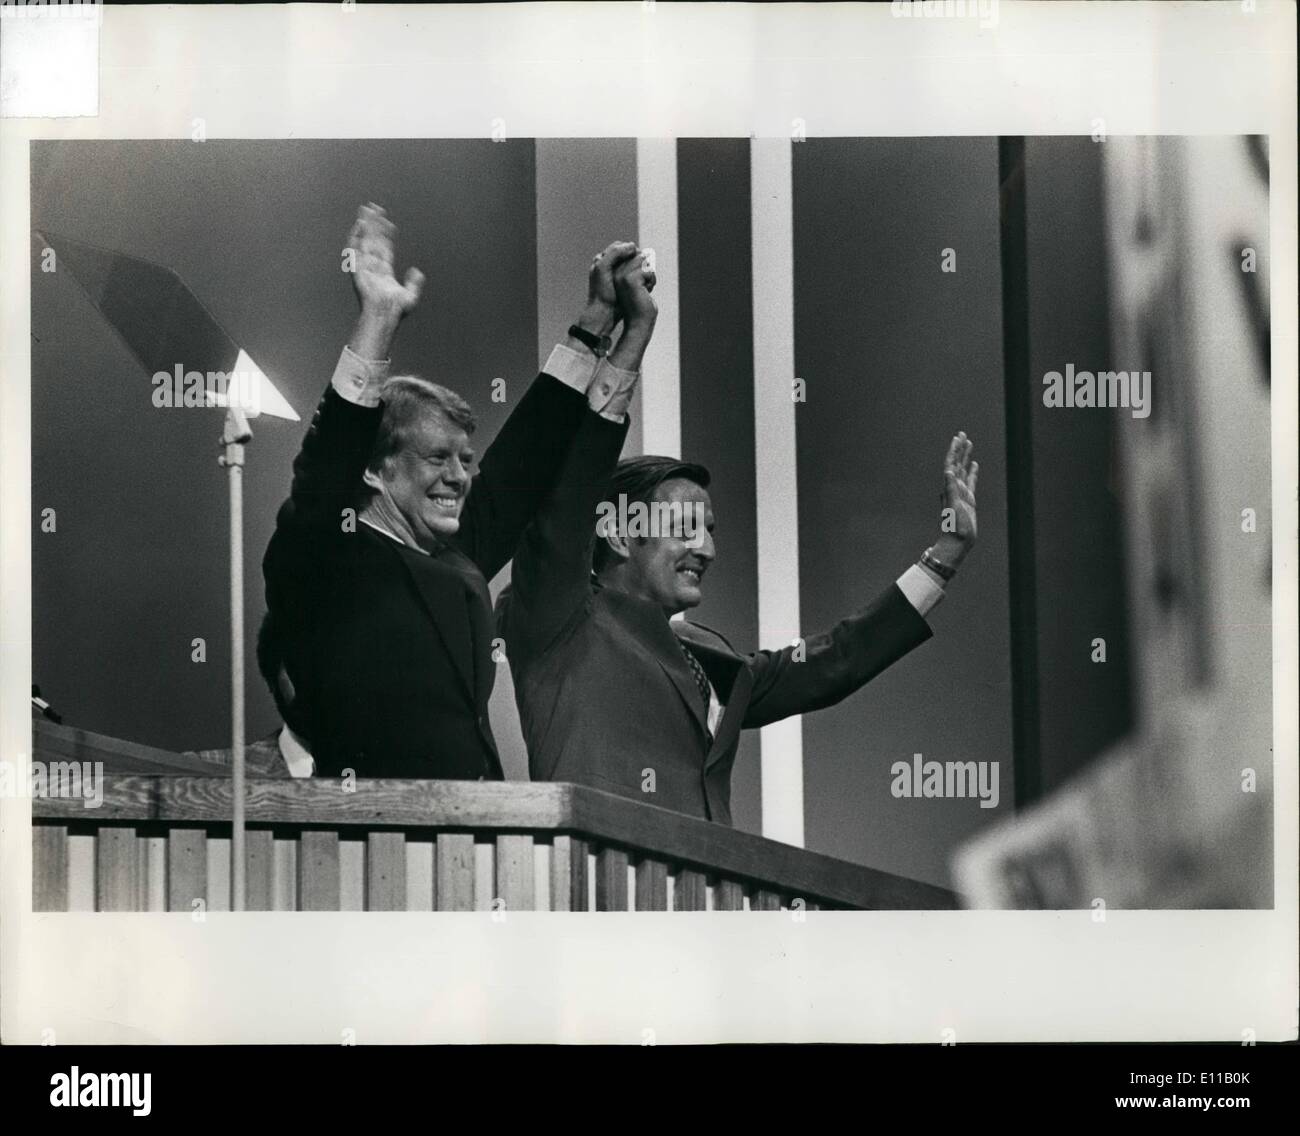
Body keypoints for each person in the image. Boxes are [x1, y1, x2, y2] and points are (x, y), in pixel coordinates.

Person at [259, 203, 658, 779]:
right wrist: (379, 318)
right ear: (375, 469)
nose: (459, 477)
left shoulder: (451, 556)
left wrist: (598, 322)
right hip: (373, 844)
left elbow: (524, 459)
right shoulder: (328, 553)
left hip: (475, 843)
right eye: (437, 459)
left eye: (464, 460)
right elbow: (326, 468)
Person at [496, 416, 979, 824]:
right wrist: (614, 361)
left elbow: (835, 659)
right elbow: (560, 515)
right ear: (620, 537)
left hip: (703, 907)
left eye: (709, 532)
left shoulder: (707, 656)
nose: (707, 550)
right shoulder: (558, 621)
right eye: (685, 529)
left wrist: (945, 555)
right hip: (599, 901)